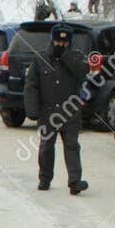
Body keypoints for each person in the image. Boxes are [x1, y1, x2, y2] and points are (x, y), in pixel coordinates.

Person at [25, 24, 90, 195]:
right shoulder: (40, 58)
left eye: (65, 42)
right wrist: (32, 108)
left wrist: (66, 57)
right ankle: (45, 178)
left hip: (70, 111)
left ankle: (75, 181)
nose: (61, 45)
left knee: (72, 146)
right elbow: (31, 86)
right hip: (48, 112)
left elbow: (83, 72)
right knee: (47, 146)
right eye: (58, 41)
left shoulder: (76, 57)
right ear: (52, 40)